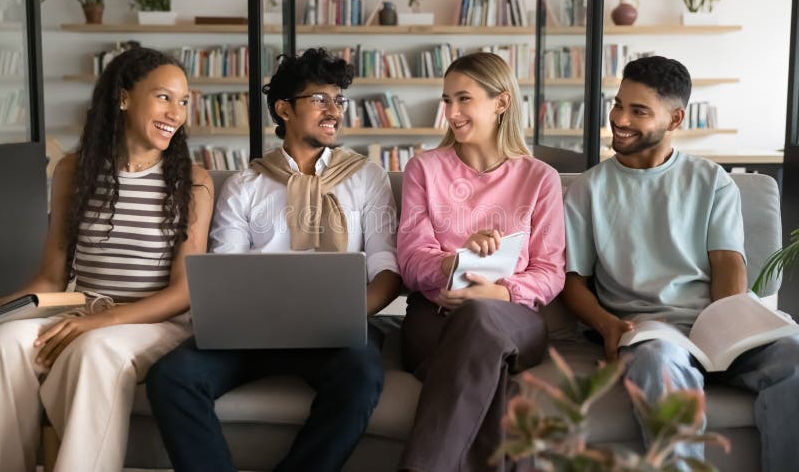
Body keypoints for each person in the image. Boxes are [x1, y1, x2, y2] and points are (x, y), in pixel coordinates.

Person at [145, 47, 403, 472]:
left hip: (336, 333)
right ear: (284, 109)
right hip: (250, 334)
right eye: (320, 99)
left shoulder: (366, 177)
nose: (334, 111)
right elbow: (224, 270)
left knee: (361, 377)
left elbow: (386, 266)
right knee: (172, 377)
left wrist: (349, 314)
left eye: (339, 100)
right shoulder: (246, 184)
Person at [561, 55, 799, 471]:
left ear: (674, 120)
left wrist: (728, 329)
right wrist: (607, 325)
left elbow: (728, 265)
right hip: (648, 332)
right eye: (618, 104)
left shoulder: (712, 181)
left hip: (715, 325)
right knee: (660, 365)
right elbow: (573, 282)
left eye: (639, 111)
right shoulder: (589, 190)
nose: (620, 119)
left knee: (793, 358)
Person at [0, 46, 214, 472]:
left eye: (183, 101)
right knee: (5, 343)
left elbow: (184, 293)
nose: (175, 112)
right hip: (81, 307)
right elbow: (49, 278)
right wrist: (2, 311)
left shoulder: (193, 181)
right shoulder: (73, 171)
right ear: (124, 97)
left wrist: (99, 321)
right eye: (164, 97)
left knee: (95, 349)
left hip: (156, 323)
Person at [396, 51, 566, 472]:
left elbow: (550, 271)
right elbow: (411, 258)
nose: (450, 112)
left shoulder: (539, 178)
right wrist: (452, 264)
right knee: (494, 378)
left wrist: (501, 292)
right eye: (447, 99)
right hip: (434, 318)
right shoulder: (424, 169)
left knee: (481, 318)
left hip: (512, 321)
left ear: (501, 102)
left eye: (463, 99)